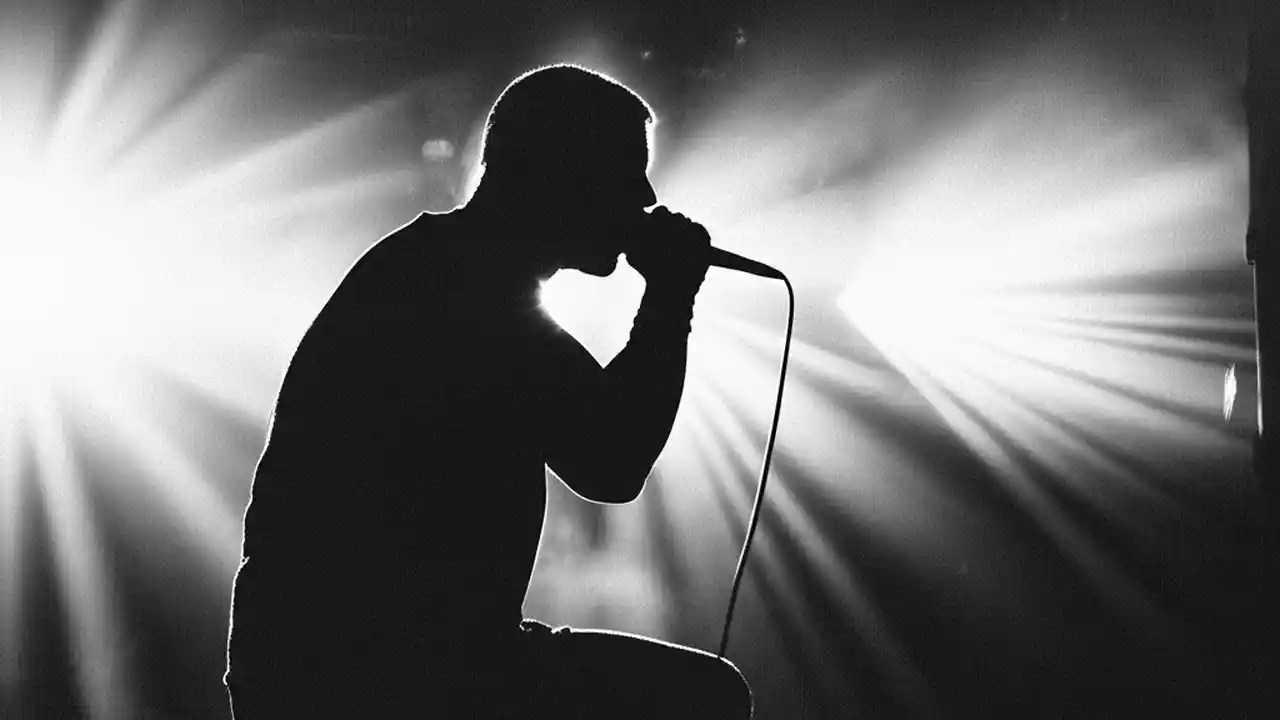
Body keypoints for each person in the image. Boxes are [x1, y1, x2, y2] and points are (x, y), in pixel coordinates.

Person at [224, 63, 753, 718]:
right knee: (701, 698)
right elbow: (612, 461)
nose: (645, 196)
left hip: (358, 660)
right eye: (626, 169)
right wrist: (670, 297)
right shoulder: (462, 289)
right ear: (568, 171)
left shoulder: (446, 268)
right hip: (381, 670)